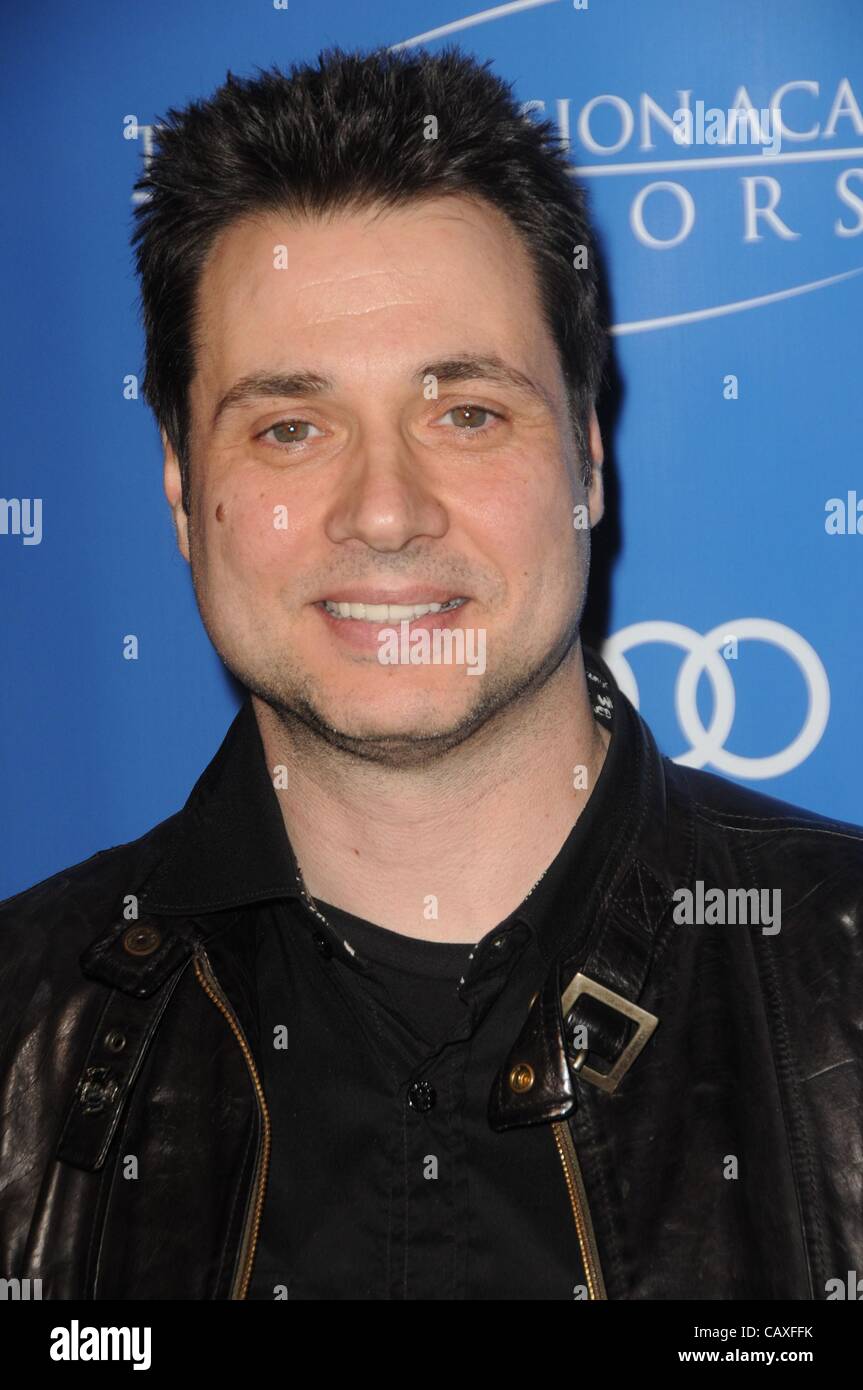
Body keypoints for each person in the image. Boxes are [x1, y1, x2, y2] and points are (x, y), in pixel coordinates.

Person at [1, 45, 861, 1301]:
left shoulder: (841, 976)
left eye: (464, 412)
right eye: (291, 427)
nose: (385, 511)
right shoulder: (21, 1038)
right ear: (184, 491)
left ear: (586, 460)